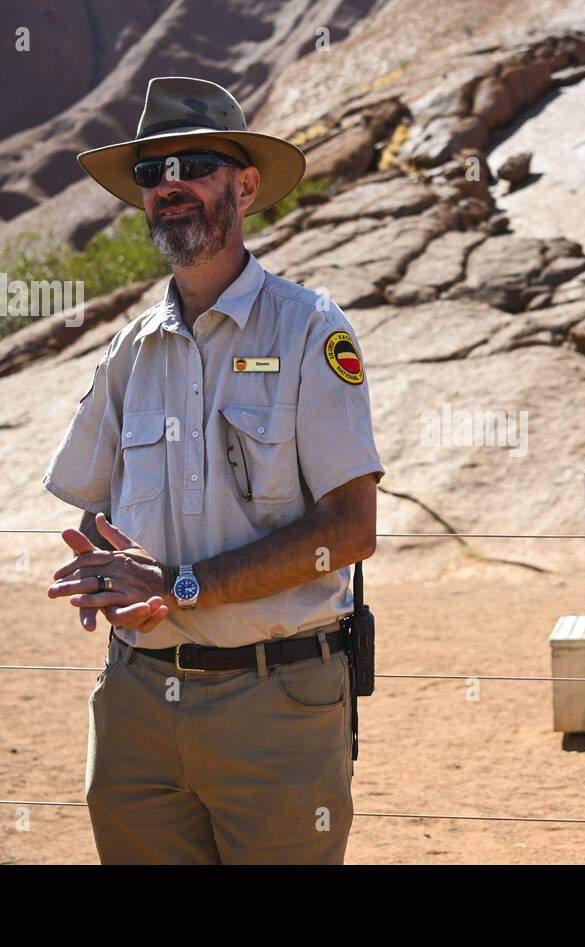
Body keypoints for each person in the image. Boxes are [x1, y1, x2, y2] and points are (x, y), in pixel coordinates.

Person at [42, 76, 384, 864]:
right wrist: (108, 568)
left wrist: (179, 586)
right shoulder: (129, 351)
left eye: (193, 164)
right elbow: (94, 508)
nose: (170, 187)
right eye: (151, 174)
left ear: (246, 184)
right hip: (135, 707)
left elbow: (351, 530)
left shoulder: (311, 332)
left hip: (276, 707)